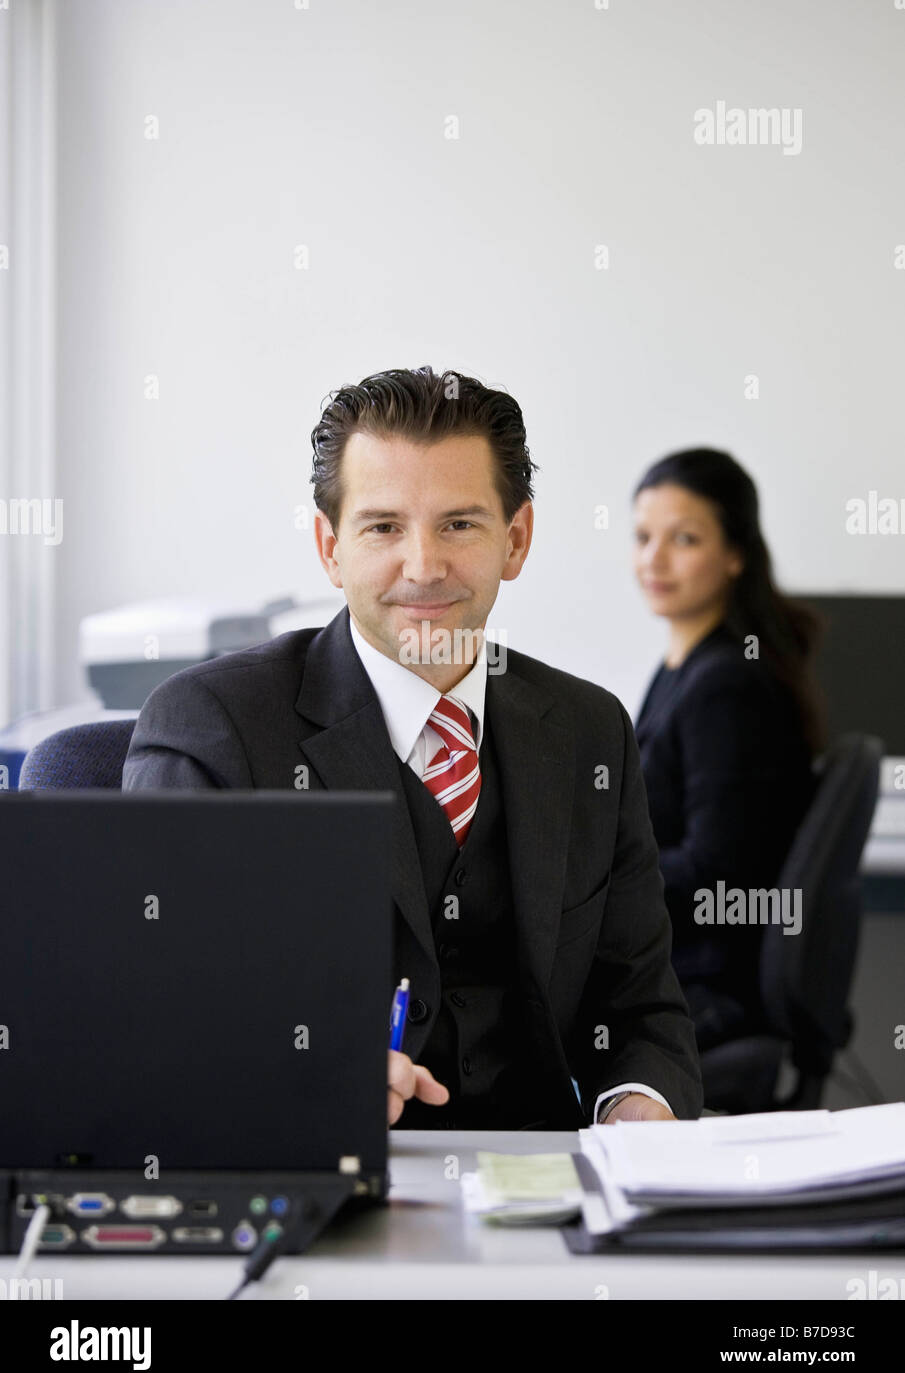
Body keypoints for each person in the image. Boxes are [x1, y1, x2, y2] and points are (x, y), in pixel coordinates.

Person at [123, 366, 702, 1130]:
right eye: (383, 527)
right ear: (330, 547)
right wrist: (303, 1072)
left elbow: (639, 1008)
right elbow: (153, 1008)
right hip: (311, 1181)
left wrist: (638, 1110)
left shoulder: (590, 730)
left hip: (538, 1195)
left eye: (458, 524)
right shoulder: (214, 726)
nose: (423, 566)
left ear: (515, 539)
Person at [631, 447, 824, 1051]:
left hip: (703, 983)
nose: (653, 559)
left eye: (684, 539)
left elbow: (719, 872)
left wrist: (597, 888)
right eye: (642, 536)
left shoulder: (728, 686)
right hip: (682, 966)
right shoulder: (686, 667)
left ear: (735, 554)